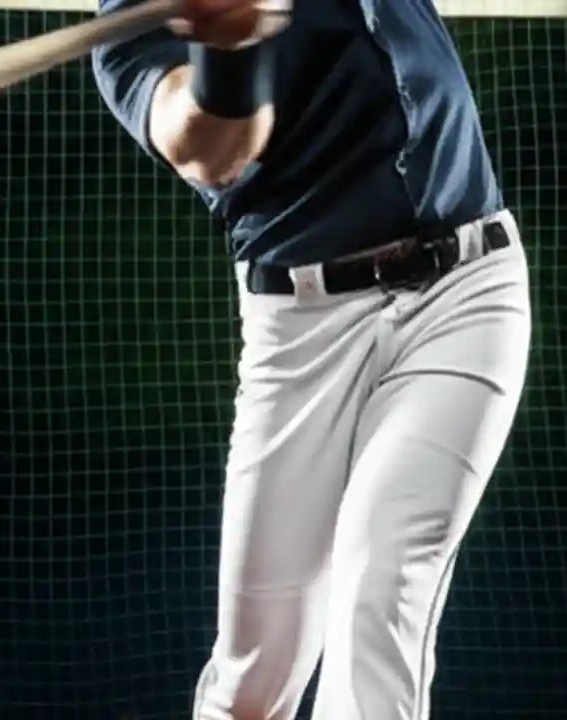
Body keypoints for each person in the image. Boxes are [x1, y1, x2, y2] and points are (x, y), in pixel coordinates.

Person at [92, 0, 531, 717]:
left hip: (465, 289)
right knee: (252, 680)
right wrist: (227, 52)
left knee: (383, 586)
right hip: (301, 331)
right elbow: (214, 149)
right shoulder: (134, 18)